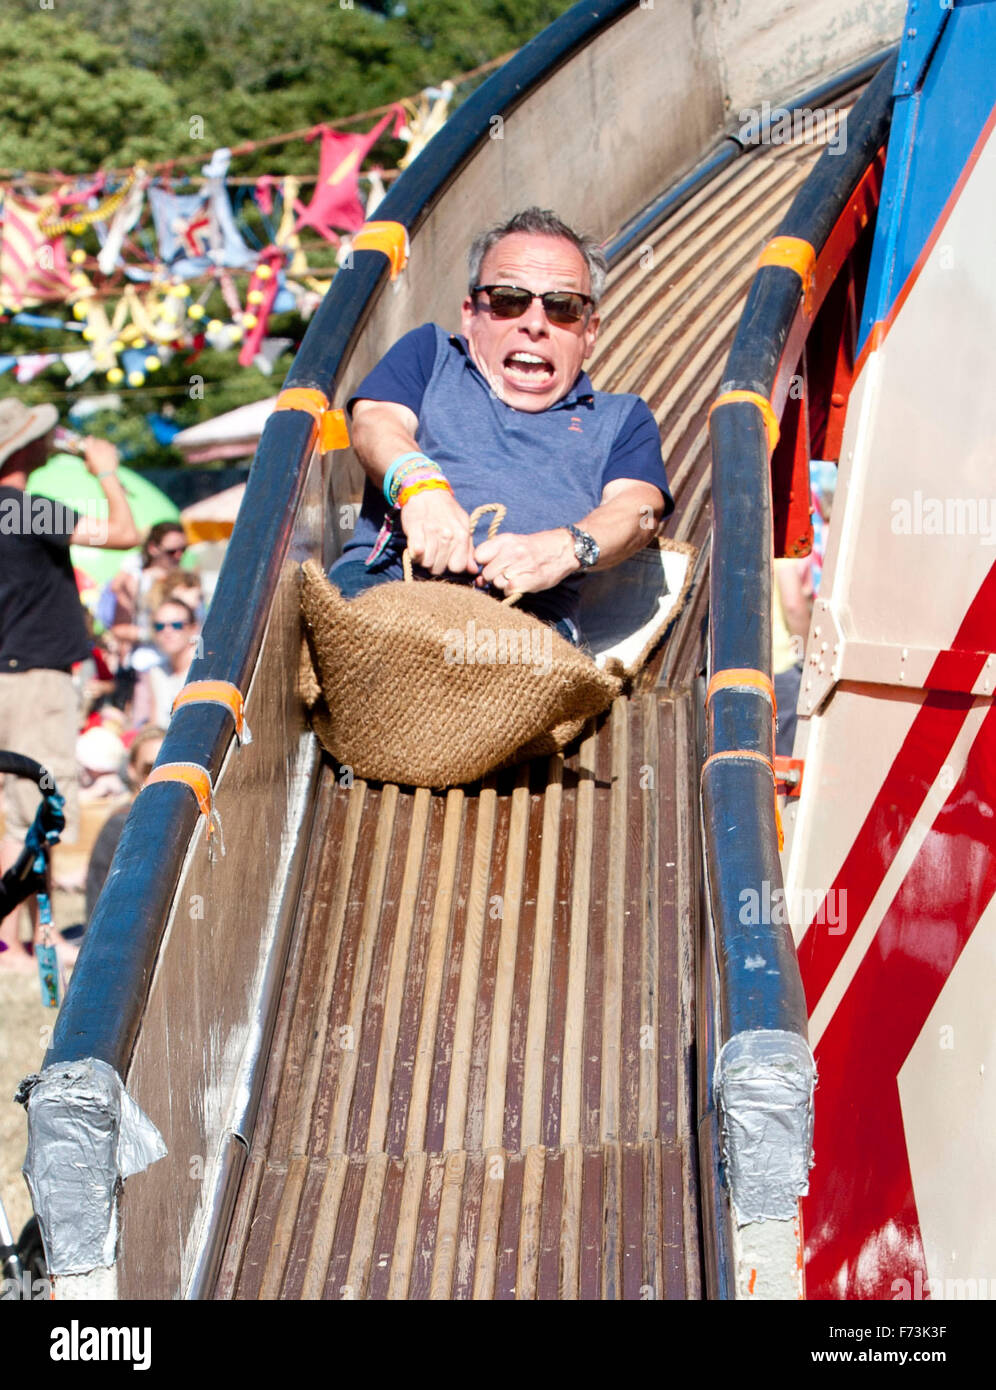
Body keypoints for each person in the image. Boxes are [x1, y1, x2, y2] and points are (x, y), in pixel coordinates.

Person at [328, 206, 675, 644]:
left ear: (590, 333)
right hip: (390, 580)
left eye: (563, 308)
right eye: (509, 300)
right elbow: (375, 422)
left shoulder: (621, 418)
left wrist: (564, 549)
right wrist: (419, 486)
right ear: (471, 314)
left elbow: (640, 510)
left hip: (528, 619)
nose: (534, 324)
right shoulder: (429, 355)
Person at [0, 397, 139, 971]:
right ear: (24, 448)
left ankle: (28, 940)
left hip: (9, 677)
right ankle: (15, 948)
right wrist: (104, 467)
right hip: (33, 680)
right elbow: (126, 532)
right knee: (31, 813)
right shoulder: (25, 510)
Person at [84, 725, 165, 926]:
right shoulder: (120, 825)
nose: (157, 777)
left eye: (164, 767)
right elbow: (97, 906)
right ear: (131, 769)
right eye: (149, 769)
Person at [132, 598, 200, 729]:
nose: (167, 632)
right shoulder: (157, 672)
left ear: (193, 628)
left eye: (176, 625)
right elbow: (155, 725)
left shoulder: (205, 669)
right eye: (159, 626)